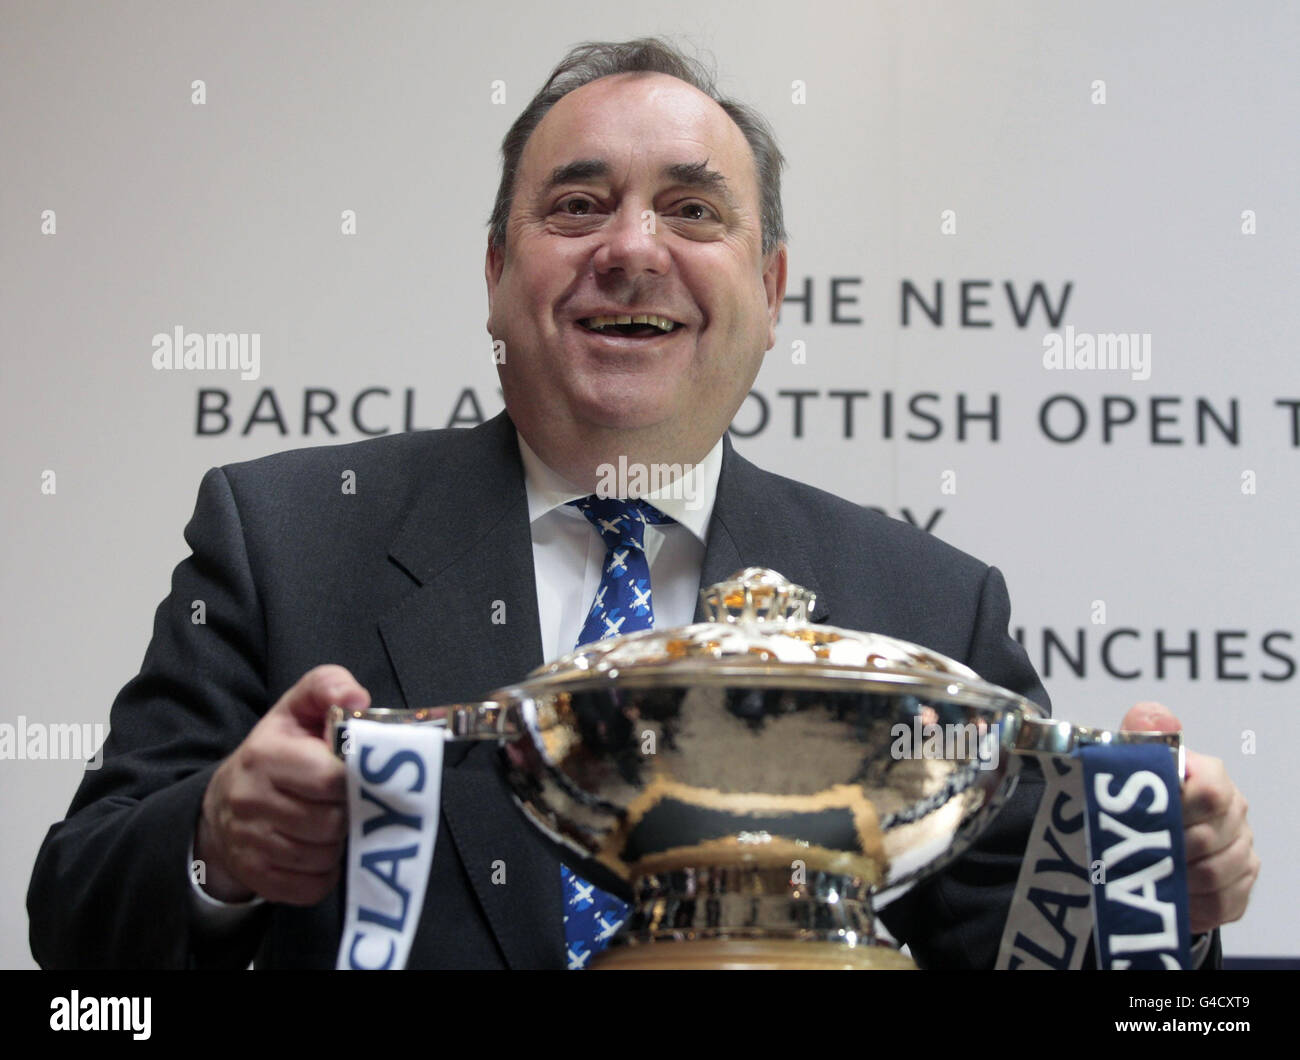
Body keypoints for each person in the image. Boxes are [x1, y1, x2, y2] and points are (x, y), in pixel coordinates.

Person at [28, 37, 1257, 970]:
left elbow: (1025, 961)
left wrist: (1156, 902)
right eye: (576, 205)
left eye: (692, 209)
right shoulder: (285, 539)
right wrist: (215, 850)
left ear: (770, 292)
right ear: (497, 274)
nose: (631, 247)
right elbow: (74, 921)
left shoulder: (932, 607)